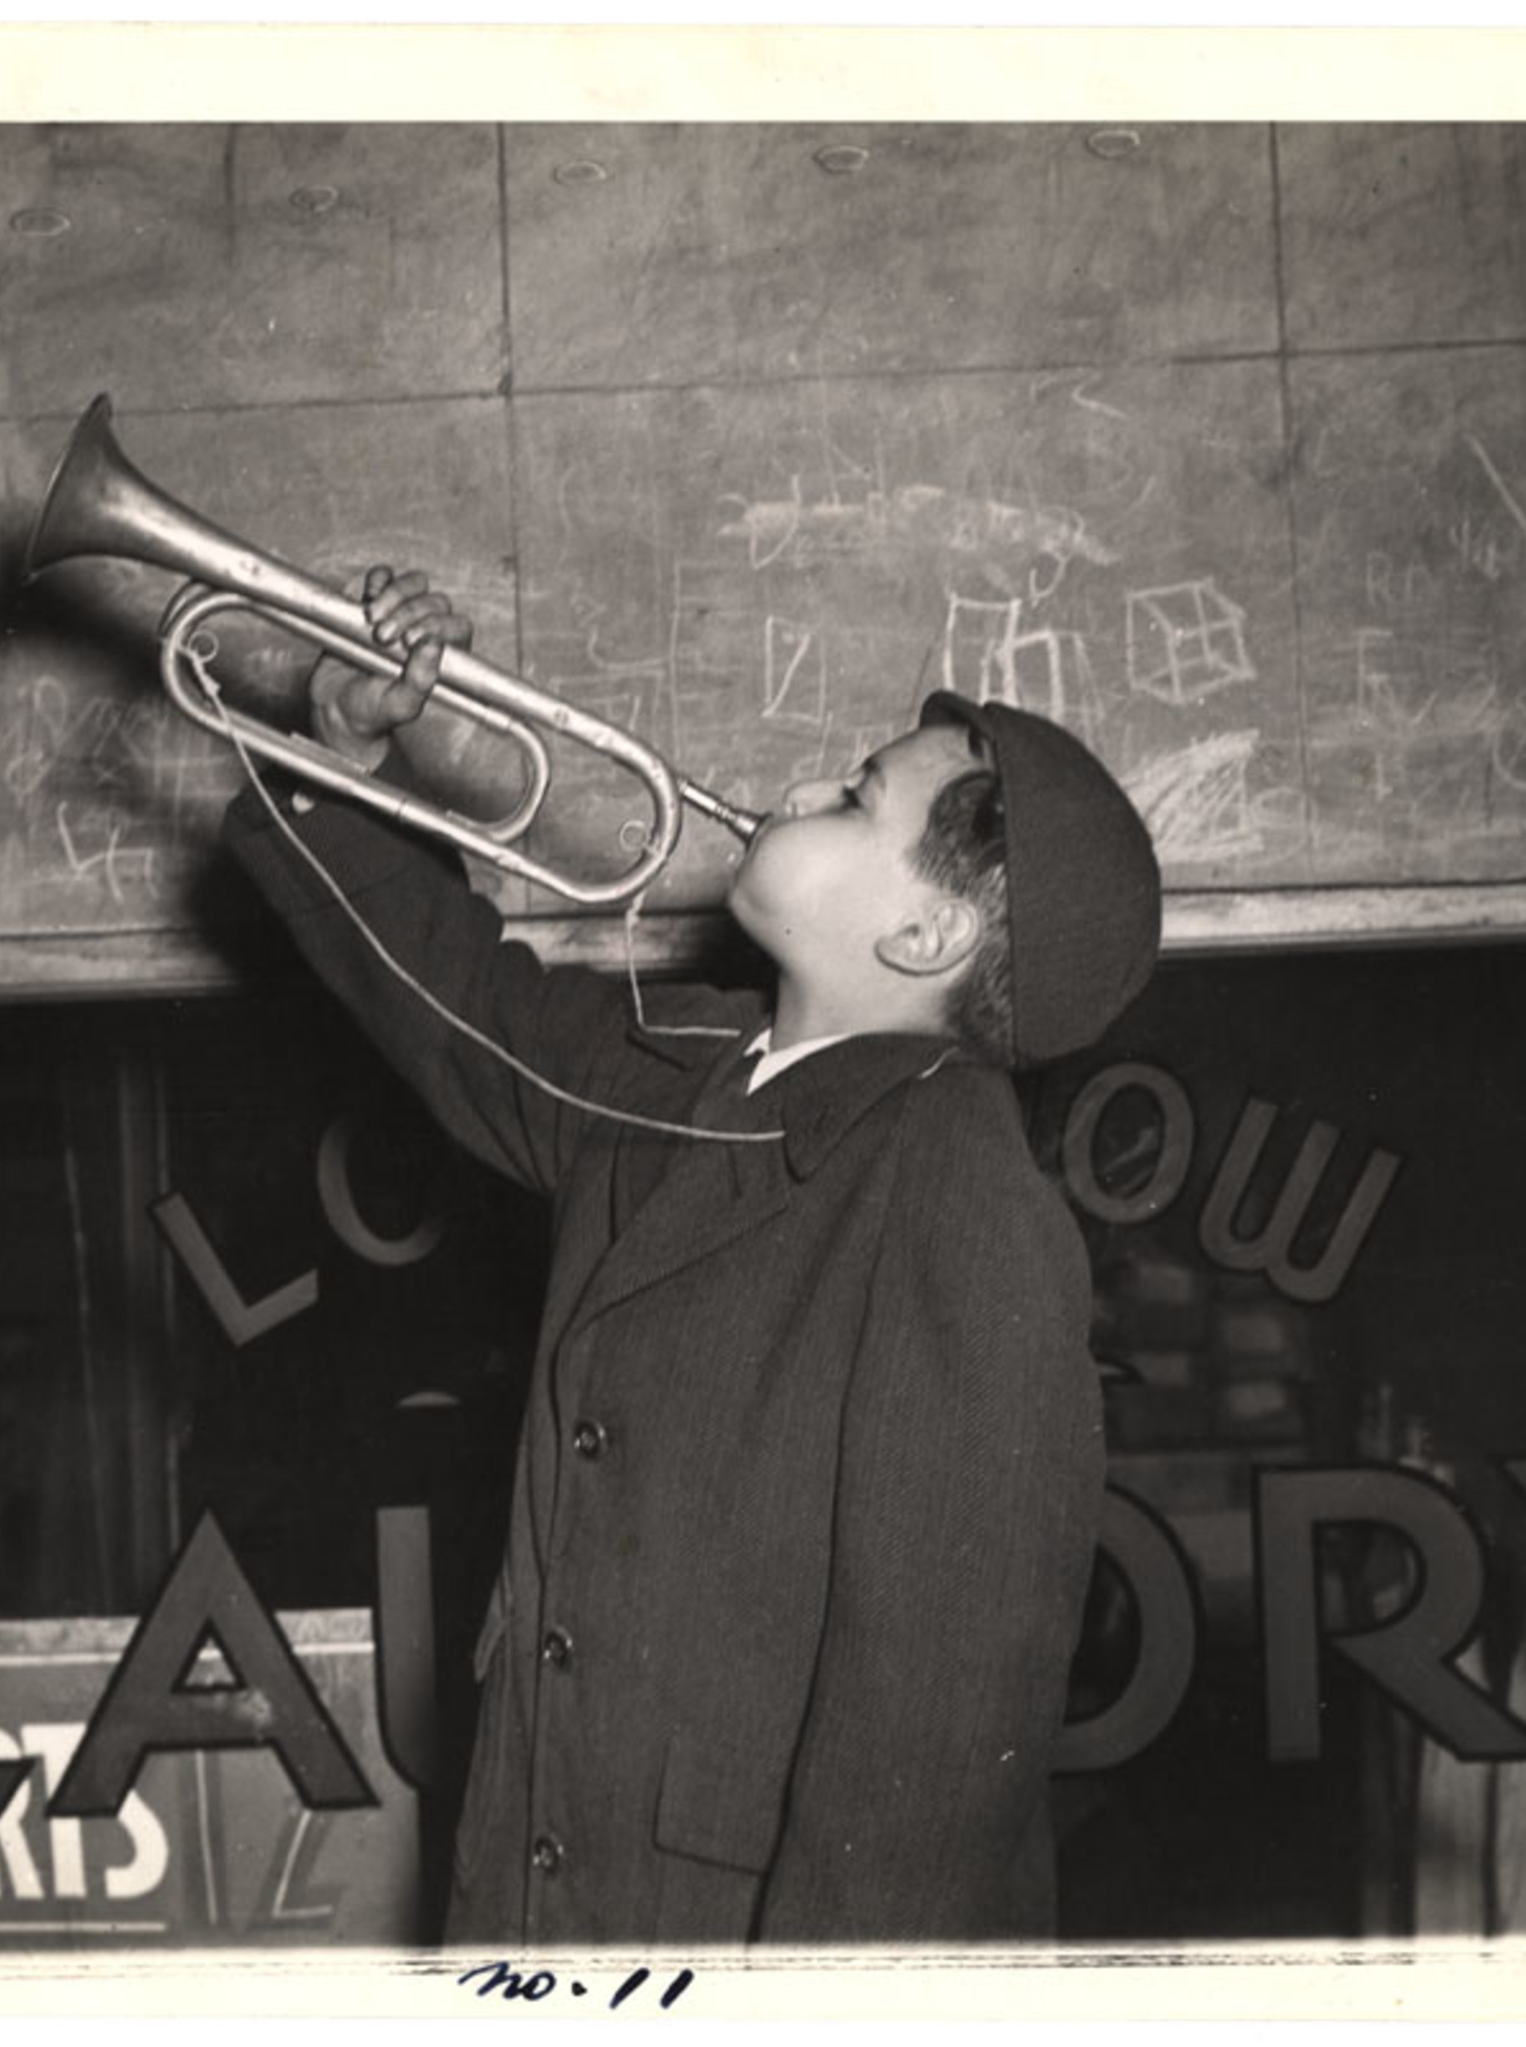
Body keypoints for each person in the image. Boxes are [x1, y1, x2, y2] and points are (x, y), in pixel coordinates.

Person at [222, 566, 1161, 1949]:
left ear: (924, 934)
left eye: (856, 799)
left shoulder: (954, 1177)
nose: (807, 793)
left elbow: (931, 1754)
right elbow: (457, 1010)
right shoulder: (693, 1068)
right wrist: (345, 756)